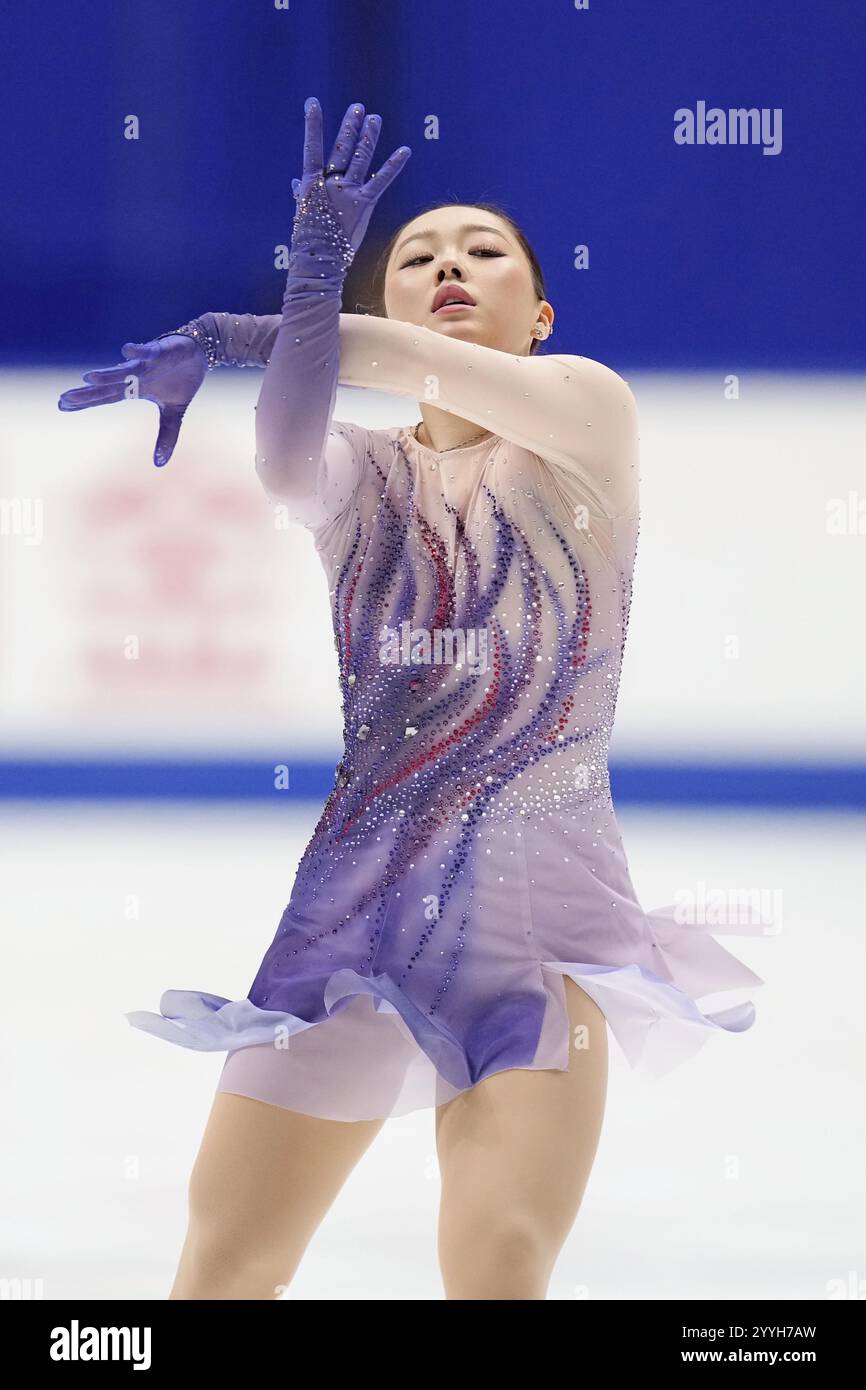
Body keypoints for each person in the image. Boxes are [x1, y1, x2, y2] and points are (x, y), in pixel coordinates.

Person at [58, 98, 766, 1300]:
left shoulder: (588, 420)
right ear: (375, 308)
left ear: (538, 315)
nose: (447, 266)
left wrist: (253, 322)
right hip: (349, 916)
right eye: (417, 256)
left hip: (540, 934)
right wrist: (308, 292)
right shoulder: (358, 476)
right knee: (224, 1262)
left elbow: (418, 367)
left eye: (482, 252)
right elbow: (285, 448)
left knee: (494, 1260)